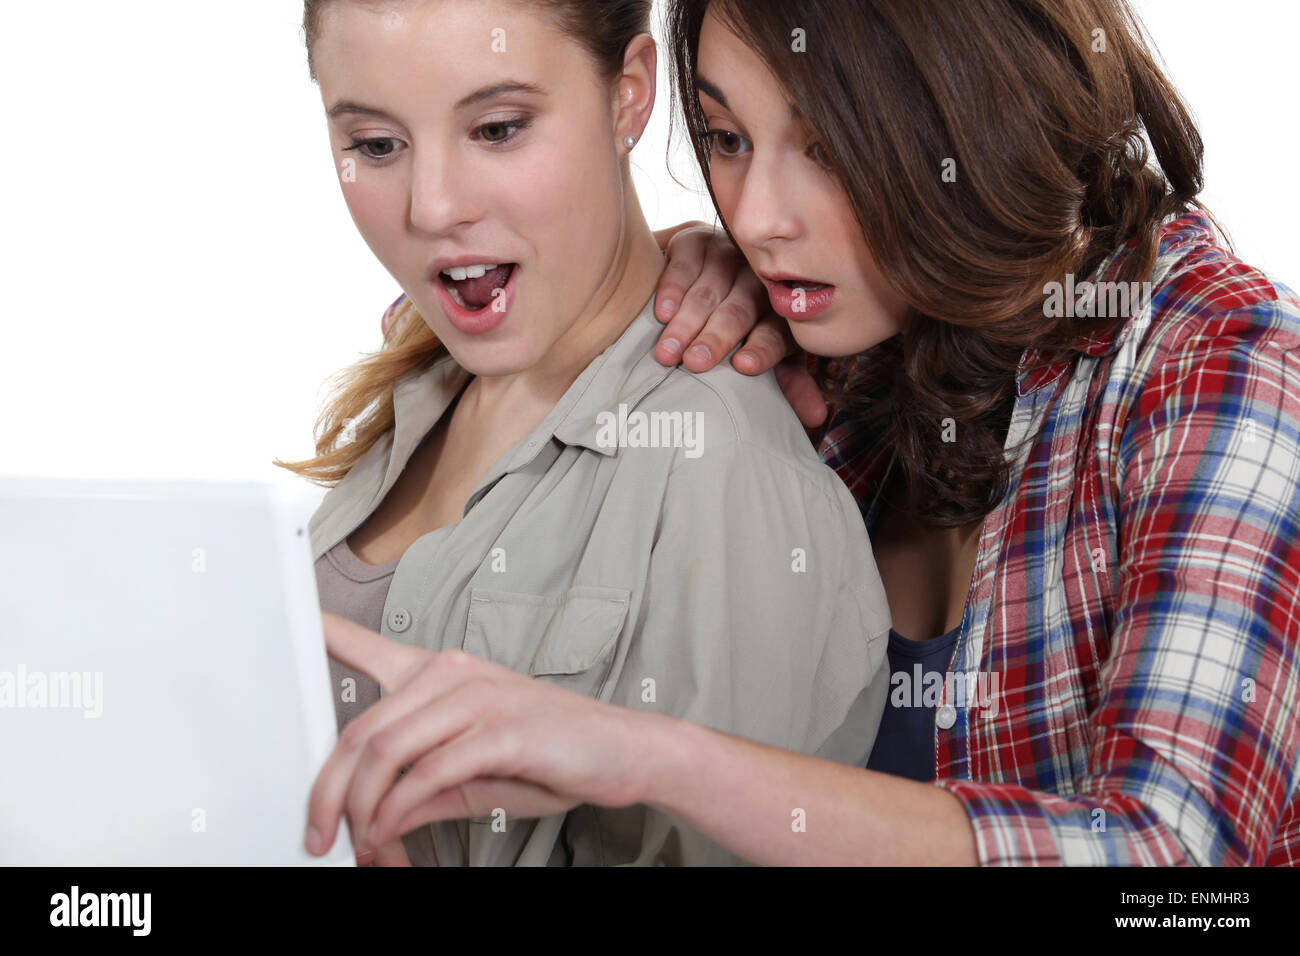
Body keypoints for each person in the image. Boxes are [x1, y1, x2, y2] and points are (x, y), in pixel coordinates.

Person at [305, 0, 1300, 866]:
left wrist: (651, 753)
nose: (759, 219)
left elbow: (1172, 862)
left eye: (826, 146)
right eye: (727, 138)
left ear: (981, 108)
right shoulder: (821, 334)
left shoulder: (1224, 360)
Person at [281, 0, 893, 866]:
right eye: (378, 145)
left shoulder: (711, 460)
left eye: (496, 128)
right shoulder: (424, 382)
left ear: (628, 98)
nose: (433, 207)